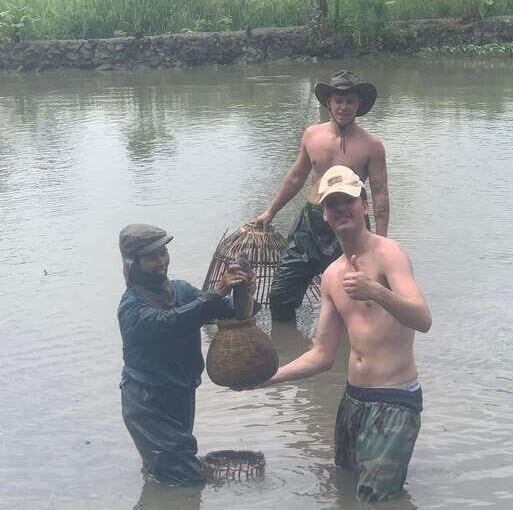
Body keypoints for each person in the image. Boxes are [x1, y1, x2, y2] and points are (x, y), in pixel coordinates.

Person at [249, 165, 431, 502]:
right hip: (352, 400)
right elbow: (322, 355)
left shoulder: (389, 254)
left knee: (377, 499)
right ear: (325, 216)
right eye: (333, 204)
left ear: (363, 205)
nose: (341, 209)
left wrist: (377, 292)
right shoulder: (332, 275)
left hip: (394, 401)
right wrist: (266, 378)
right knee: (344, 489)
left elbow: (423, 319)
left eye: (348, 200)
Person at [118, 223, 254, 485]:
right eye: (151, 257)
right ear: (133, 263)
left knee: (167, 474)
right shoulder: (131, 307)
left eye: (163, 253)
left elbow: (234, 313)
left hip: (181, 393)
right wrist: (215, 294)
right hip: (147, 403)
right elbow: (168, 323)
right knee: (186, 477)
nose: (161, 262)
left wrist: (243, 291)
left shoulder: (181, 291)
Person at [255, 70, 389, 322]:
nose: (344, 107)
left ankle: (348, 354)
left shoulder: (372, 146)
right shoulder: (312, 135)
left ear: (359, 104)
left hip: (350, 223)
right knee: (281, 294)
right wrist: (271, 211)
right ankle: (288, 346)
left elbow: (380, 194)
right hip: (311, 221)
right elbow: (296, 177)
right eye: (338, 101)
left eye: (350, 101)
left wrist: (380, 242)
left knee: (354, 297)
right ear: (328, 103)